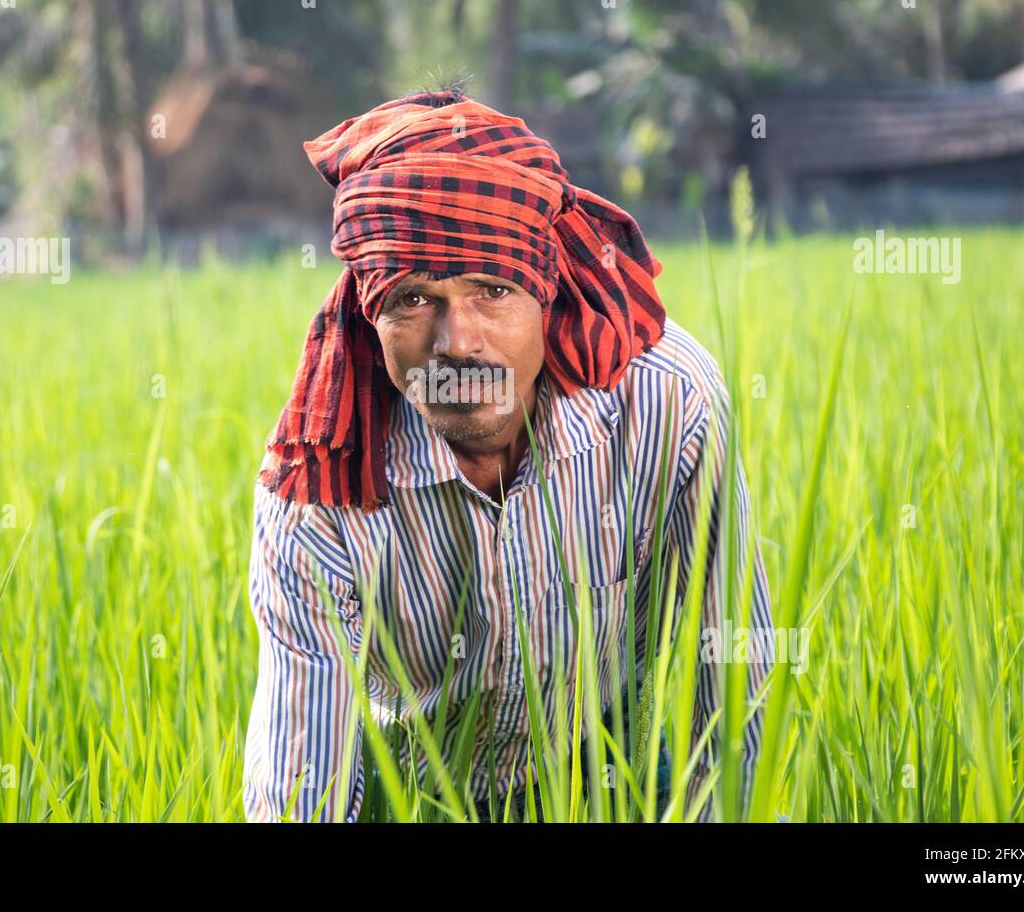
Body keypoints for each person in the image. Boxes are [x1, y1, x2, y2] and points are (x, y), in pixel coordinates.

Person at [242, 83, 774, 822]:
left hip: (606, 760)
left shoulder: (666, 404)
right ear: (371, 315)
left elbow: (730, 689)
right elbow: (301, 791)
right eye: (415, 299)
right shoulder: (320, 485)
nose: (458, 343)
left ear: (546, 291)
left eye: (492, 288)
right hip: (410, 785)